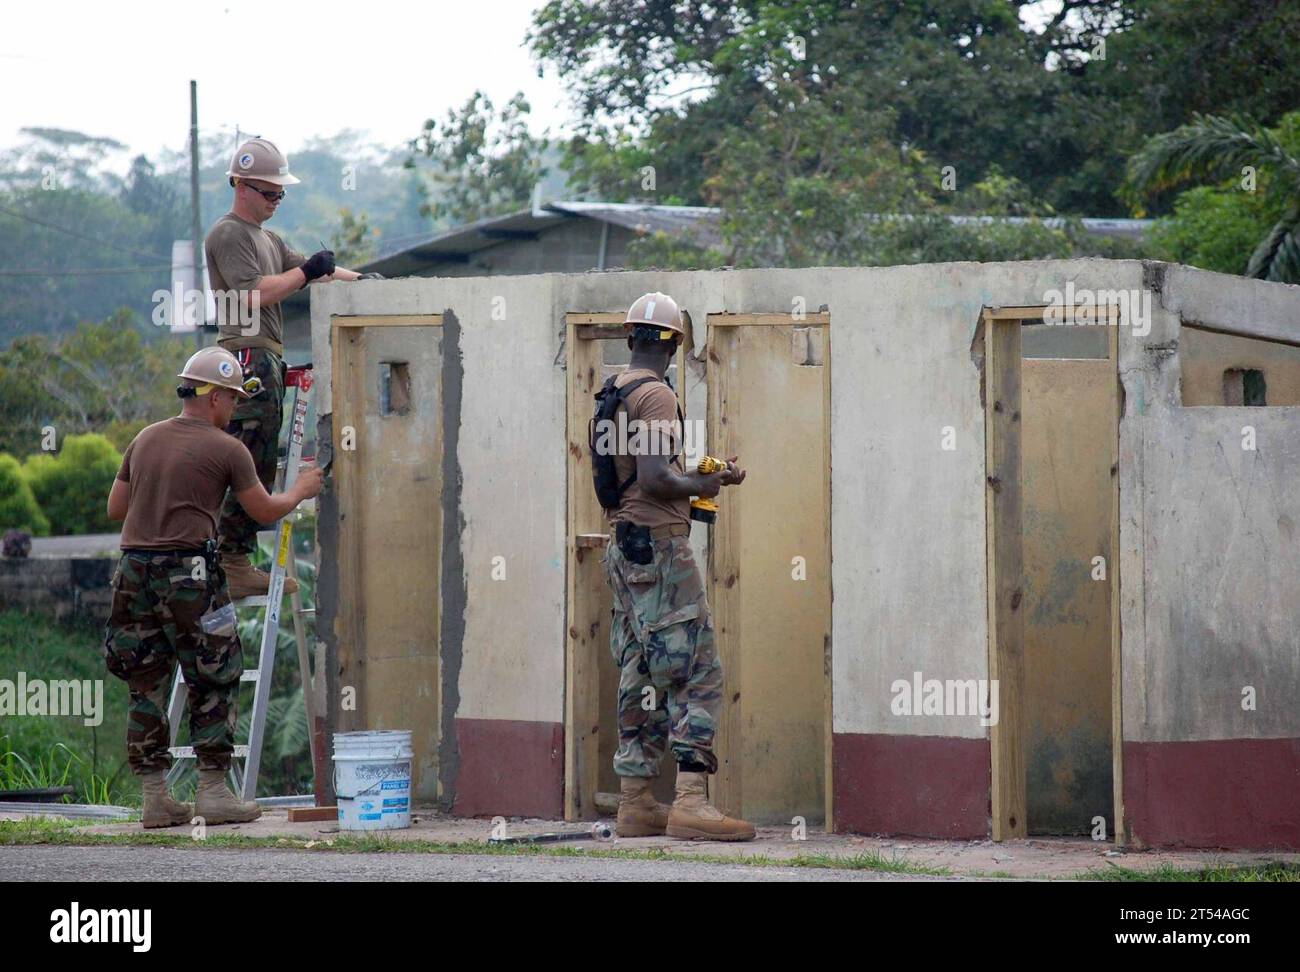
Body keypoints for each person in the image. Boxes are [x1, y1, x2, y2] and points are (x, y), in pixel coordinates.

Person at [103, 347, 324, 828]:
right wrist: (301, 490)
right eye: (234, 399)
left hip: (133, 571)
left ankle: (155, 798)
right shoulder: (229, 449)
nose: (236, 409)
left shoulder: (144, 439)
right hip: (191, 575)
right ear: (217, 397)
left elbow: (115, 509)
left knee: (145, 683)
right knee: (216, 676)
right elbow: (264, 511)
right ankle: (211, 792)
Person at [602, 291, 754, 841]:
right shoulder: (659, 397)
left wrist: (698, 478)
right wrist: (705, 485)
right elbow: (655, 480)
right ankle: (691, 800)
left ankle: (636, 802)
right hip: (660, 547)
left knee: (641, 671)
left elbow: (640, 474)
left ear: (630, 337)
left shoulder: (615, 391)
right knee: (698, 670)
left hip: (623, 546)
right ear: (674, 343)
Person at [204, 136, 374, 597]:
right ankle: (232, 560)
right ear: (241, 185)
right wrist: (305, 273)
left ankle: (237, 557)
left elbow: (313, 270)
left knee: (259, 455)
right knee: (249, 454)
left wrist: (365, 284)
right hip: (245, 353)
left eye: (282, 194)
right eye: (270, 193)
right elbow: (254, 293)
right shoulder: (228, 234)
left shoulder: (267, 239)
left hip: (266, 355)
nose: (277, 201)